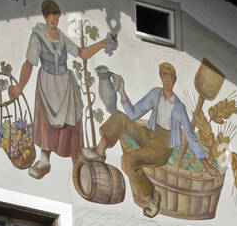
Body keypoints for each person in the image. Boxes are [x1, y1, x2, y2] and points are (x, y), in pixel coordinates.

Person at [82, 62, 207, 216]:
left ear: (175, 79)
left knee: (127, 161)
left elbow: (191, 136)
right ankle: (100, 152)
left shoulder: (178, 107)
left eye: (170, 76)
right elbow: (133, 114)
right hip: (150, 135)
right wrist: (122, 91)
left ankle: (152, 196)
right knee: (119, 117)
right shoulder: (156, 94)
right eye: (164, 75)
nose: (167, 79)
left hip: (162, 148)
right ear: (161, 77)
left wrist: (207, 165)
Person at [8, 0, 109, 180]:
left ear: (59, 16)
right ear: (45, 17)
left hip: (64, 83)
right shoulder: (37, 36)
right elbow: (29, 63)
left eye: (55, 15)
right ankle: (44, 160)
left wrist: (102, 44)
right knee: (46, 122)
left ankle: (76, 162)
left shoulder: (62, 37)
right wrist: (20, 86)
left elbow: (82, 53)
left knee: (72, 121)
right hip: (47, 82)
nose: (53, 19)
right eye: (49, 15)